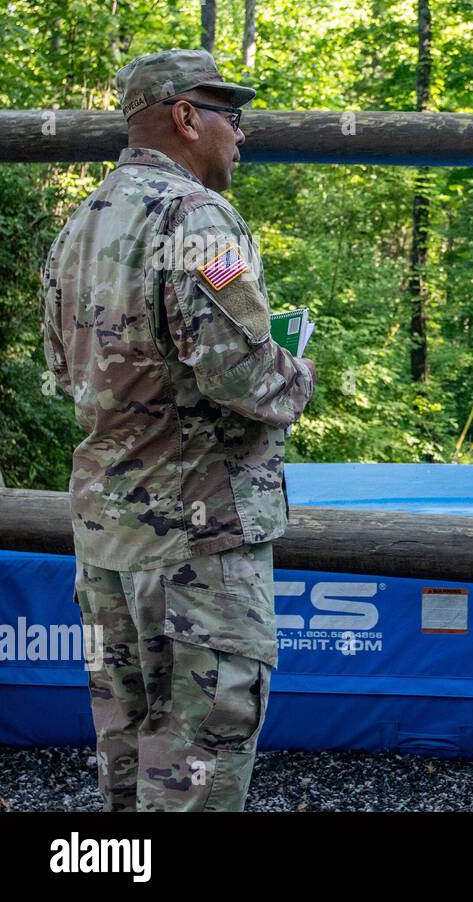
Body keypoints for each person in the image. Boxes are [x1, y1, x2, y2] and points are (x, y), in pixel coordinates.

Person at [41, 48, 315, 811]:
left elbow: (70, 374)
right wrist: (300, 372)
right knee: (195, 769)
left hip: (107, 548)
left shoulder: (83, 224)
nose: (242, 134)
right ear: (187, 118)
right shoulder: (195, 218)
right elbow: (244, 378)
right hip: (197, 548)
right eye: (232, 115)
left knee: (127, 766)